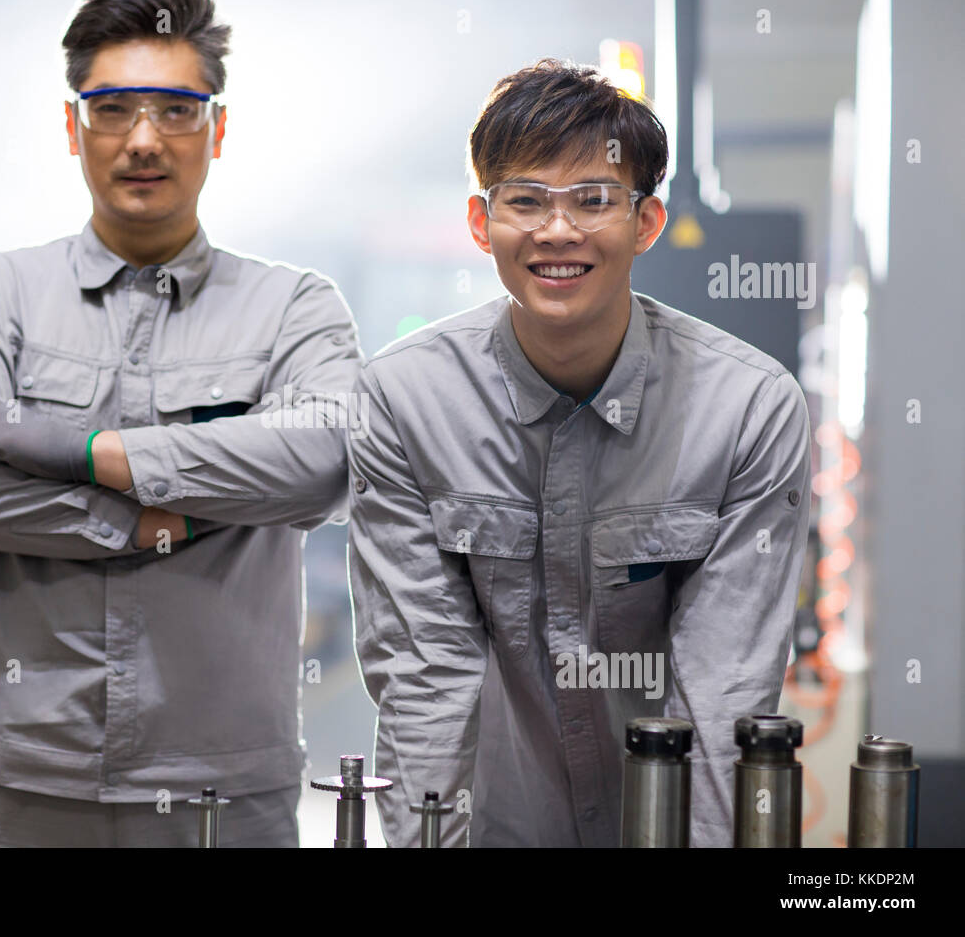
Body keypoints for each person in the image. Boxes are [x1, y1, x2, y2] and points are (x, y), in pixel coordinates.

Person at [0, 0, 363, 846]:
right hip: (24, 783)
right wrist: (166, 518)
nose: (144, 139)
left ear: (217, 130)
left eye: (176, 110)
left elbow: (322, 466)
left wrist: (87, 451)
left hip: (222, 795)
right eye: (113, 109)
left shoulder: (294, 308)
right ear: (73, 127)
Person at [347, 58, 812, 847]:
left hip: (668, 827)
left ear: (646, 223)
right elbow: (429, 678)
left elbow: (723, 690)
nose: (557, 231)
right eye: (525, 200)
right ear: (480, 221)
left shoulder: (747, 408)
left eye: (594, 200)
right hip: (497, 825)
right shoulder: (405, 400)